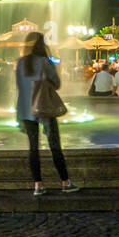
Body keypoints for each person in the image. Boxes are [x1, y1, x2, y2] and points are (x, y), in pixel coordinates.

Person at [14, 32, 80, 196]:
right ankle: (65, 182)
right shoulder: (44, 61)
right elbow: (57, 84)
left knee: (33, 148)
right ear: (41, 45)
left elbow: (19, 87)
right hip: (44, 108)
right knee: (54, 146)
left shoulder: (20, 63)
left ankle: (38, 185)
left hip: (25, 110)